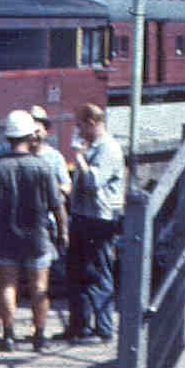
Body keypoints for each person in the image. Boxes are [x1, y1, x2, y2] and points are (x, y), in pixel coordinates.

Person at [0, 105, 71, 337]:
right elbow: (57, 205)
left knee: (8, 284)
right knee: (39, 287)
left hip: (6, 236)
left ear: (8, 137)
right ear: (30, 136)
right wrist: (63, 233)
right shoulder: (42, 167)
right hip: (37, 236)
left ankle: (8, 334)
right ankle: (39, 335)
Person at [60, 102, 125, 342]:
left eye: (80, 126)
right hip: (83, 216)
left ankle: (104, 328)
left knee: (98, 273)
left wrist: (78, 157)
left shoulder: (109, 149)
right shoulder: (93, 148)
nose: (78, 131)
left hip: (99, 219)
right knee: (77, 272)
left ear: (92, 123)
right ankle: (80, 327)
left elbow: (93, 183)